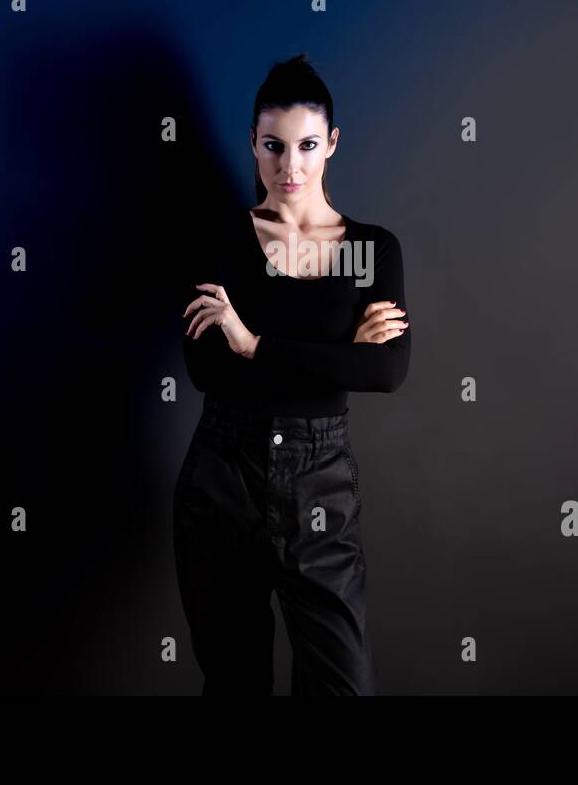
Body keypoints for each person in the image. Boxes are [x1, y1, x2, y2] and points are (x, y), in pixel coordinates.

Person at [174, 53, 411, 695]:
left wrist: (253, 343)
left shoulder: (370, 248)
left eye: (307, 145)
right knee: (235, 684)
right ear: (252, 142)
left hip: (320, 486)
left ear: (332, 143)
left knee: (343, 685)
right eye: (273, 146)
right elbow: (204, 369)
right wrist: (338, 352)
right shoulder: (220, 238)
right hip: (222, 478)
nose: (290, 166)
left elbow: (387, 370)